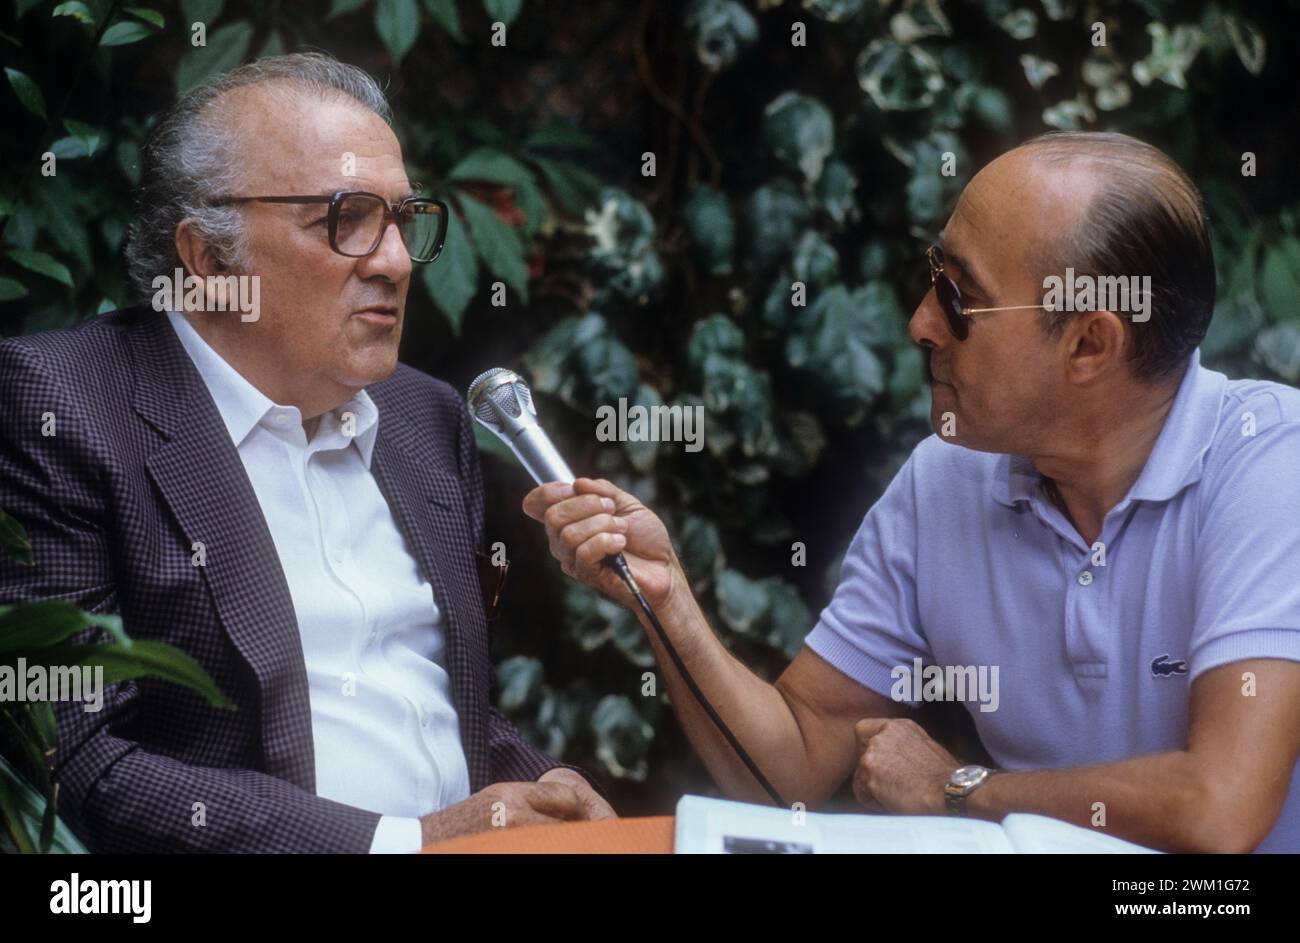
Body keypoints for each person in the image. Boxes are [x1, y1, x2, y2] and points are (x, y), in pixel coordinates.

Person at [525, 132, 1300, 853]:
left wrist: (959, 789)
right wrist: (667, 604)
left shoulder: (1265, 461)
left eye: (961, 298)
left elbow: (1220, 805)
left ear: (1090, 343)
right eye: (934, 279)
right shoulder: (949, 478)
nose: (921, 321)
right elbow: (792, 763)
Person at [0, 53, 612, 854]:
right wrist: (409, 844)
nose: (393, 259)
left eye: (402, 218)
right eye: (346, 218)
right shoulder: (64, 404)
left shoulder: (425, 416)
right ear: (210, 257)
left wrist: (548, 794)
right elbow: (75, 756)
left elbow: (435, 707)